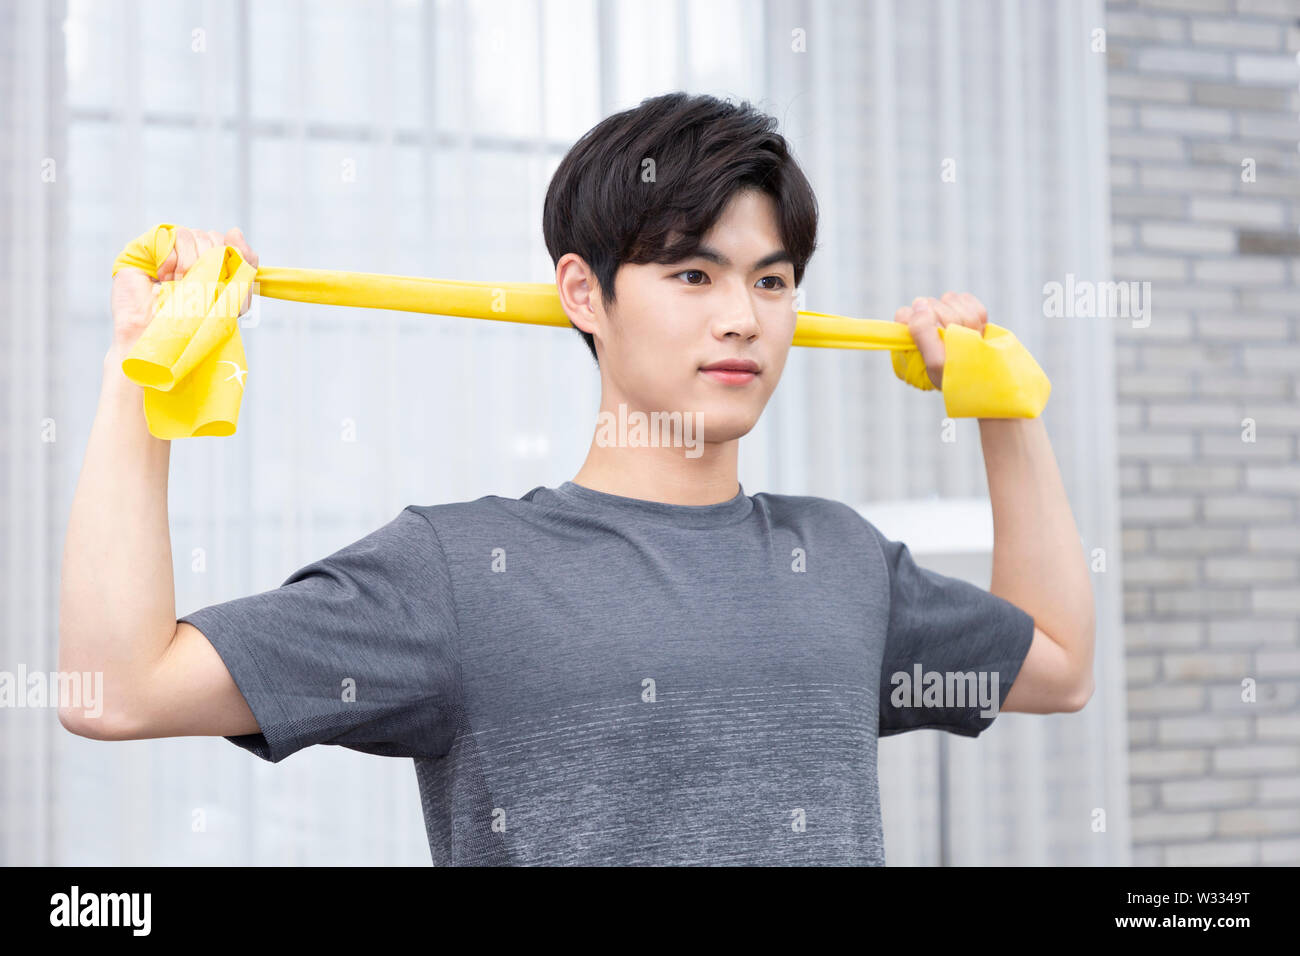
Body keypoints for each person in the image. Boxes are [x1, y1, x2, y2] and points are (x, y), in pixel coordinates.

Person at [58, 91, 1095, 866]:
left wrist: (1003, 406)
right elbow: (115, 690)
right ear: (581, 293)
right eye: (692, 273)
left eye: (771, 280)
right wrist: (138, 373)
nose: (742, 317)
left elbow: (1057, 664)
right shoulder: (456, 571)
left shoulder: (840, 559)